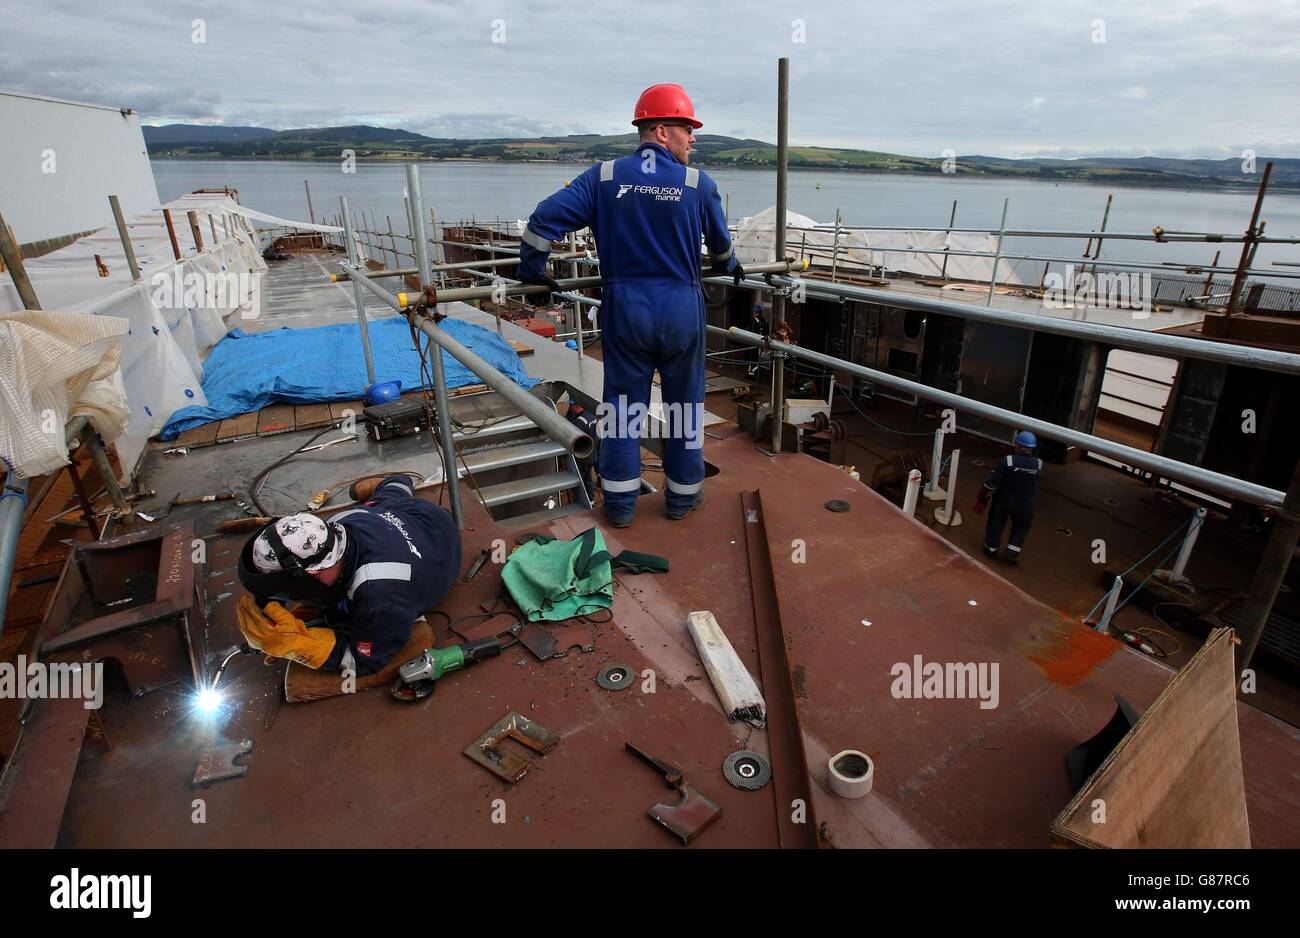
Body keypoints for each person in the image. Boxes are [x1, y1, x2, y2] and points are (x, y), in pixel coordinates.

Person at [516, 82, 744, 528]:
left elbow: (542, 220)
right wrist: (731, 265)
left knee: (622, 410)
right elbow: (721, 251)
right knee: (683, 406)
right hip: (681, 310)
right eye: (687, 128)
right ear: (661, 131)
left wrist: (532, 271)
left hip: (627, 308)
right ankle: (682, 499)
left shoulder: (603, 177)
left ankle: (620, 508)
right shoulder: (698, 184)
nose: (693, 138)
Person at [235, 476, 461, 674]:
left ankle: (393, 483)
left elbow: (362, 661)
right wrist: (268, 605)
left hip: (438, 538)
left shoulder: (377, 598)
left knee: (387, 500)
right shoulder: (335, 524)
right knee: (391, 492)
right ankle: (396, 480)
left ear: (312, 574)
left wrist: (298, 645)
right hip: (394, 515)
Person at [973, 430, 1043, 565]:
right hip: (1026, 504)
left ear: (1017, 445)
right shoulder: (1039, 464)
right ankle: (1013, 551)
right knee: (1022, 525)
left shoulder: (1008, 460)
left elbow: (992, 482)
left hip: (1004, 500)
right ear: (1032, 448)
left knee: (996, 522)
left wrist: (981, 498)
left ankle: (991, 548)